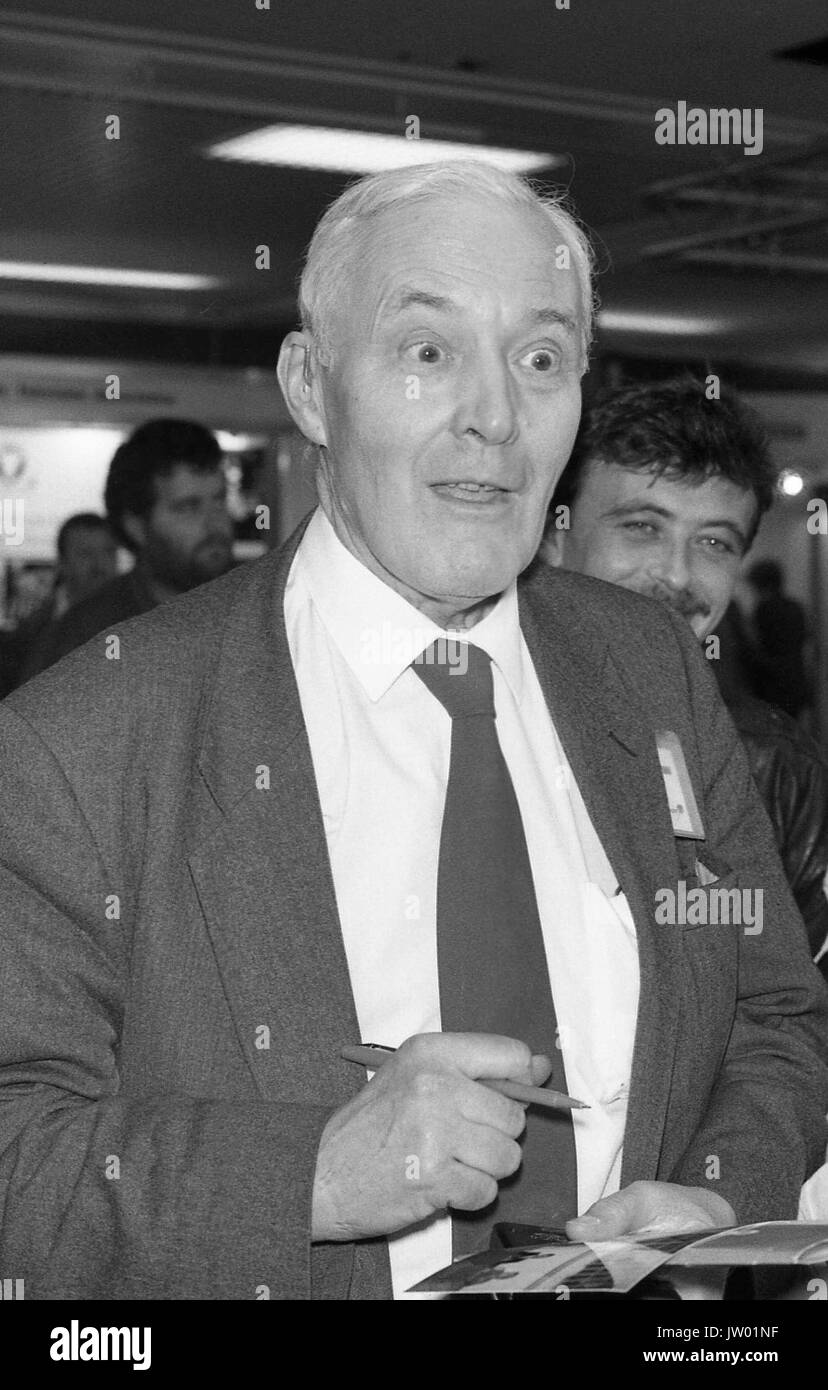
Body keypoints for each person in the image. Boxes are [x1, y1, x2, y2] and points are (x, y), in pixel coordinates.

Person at [0, 163, 826, 1302]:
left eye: (540, 359)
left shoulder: (650, 670)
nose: (494, 414)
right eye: (429, 351)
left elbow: (773, 1009)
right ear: (309, 384)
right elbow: (15, 1157)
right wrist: (311, 1179)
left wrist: (721, 1196)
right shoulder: (85, 737)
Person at [543, 376, 828, 978]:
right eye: (642, 526)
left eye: (714, 542)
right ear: (552, 539)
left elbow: (795, 1021)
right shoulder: (463, 724)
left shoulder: (773, 770)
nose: (675, 573)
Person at [16, 418, 234, 683]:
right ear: (136, 526)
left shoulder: (265, 611)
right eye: (188, 507)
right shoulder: (87, 637)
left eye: (219, 500)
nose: (215, 523)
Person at [2, 513, 117, 691]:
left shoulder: (137, 619)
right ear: (63, 562)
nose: (100, 565)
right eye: (86, 554)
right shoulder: (27, 632)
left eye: (109, 552)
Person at [746, 558, 813, 718]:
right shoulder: (795, 607)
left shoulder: (764, 609)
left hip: (773, 684)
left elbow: (762, 647)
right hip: (795, 680)